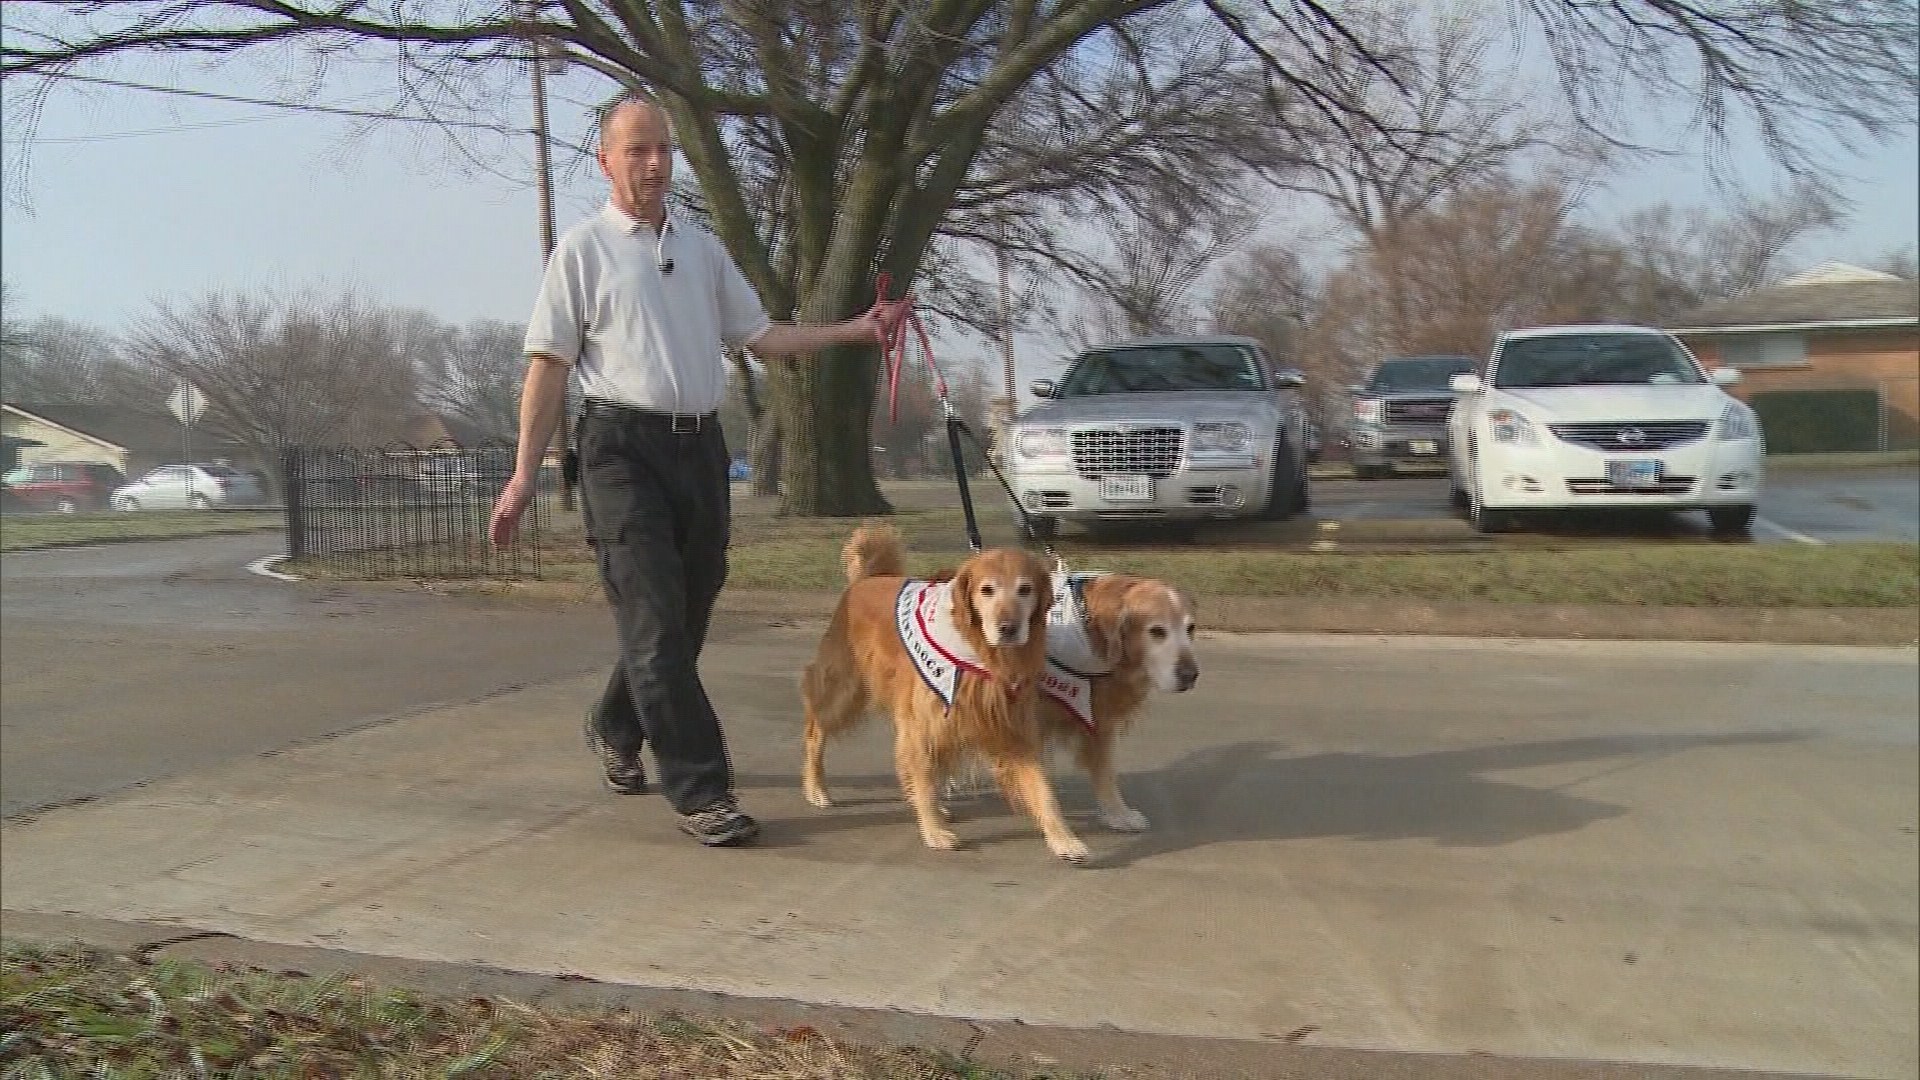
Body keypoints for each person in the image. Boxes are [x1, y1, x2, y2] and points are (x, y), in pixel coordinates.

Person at [488, 89, 911, 847]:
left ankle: (616, 723)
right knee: (654, 620)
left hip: (699, 450)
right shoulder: (582, 252)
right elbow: (547, 367)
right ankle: (702, 790)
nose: (655, 165)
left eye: (664, 151)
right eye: (638, 151)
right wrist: (525, 474)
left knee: (683, 618)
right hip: (619, 449)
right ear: (606, 161)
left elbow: (763, 336)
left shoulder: (704, 251)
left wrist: (855, 328)